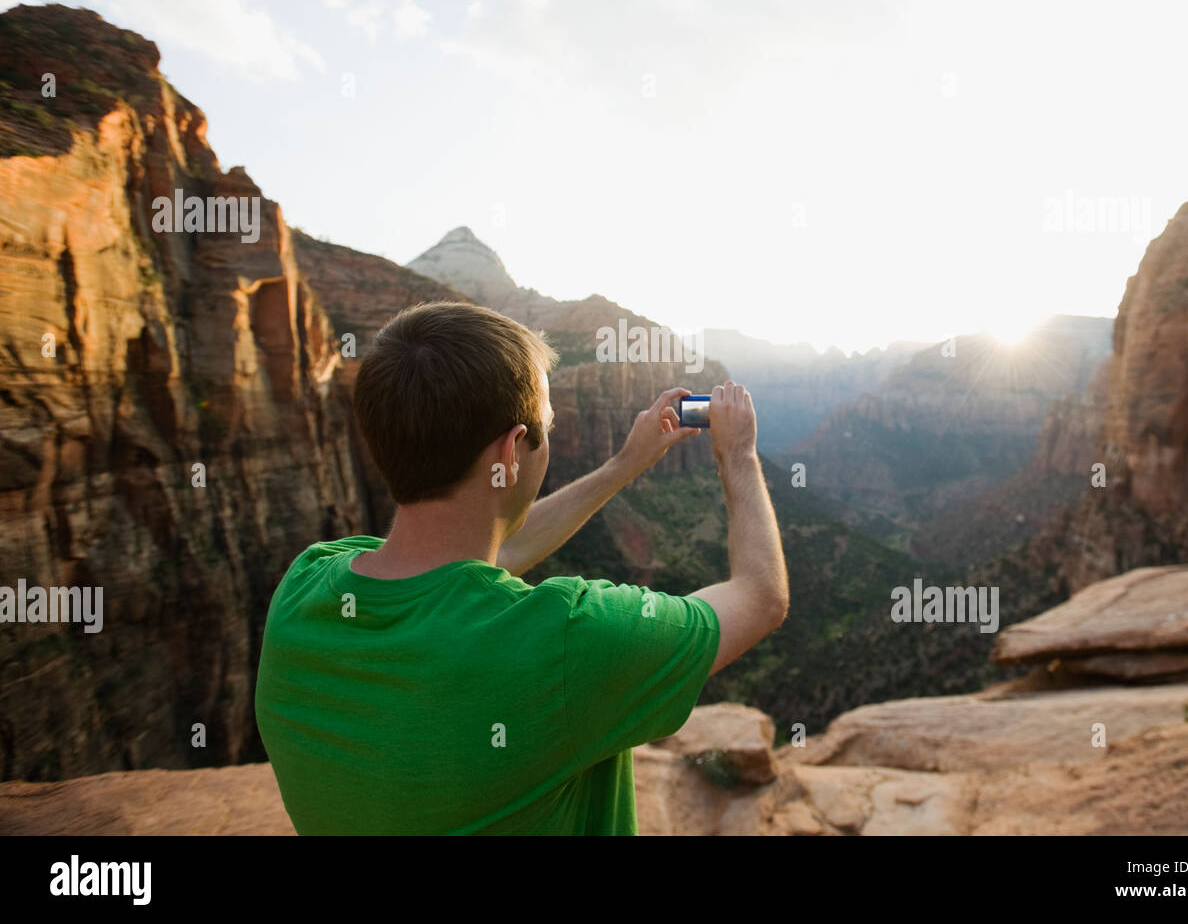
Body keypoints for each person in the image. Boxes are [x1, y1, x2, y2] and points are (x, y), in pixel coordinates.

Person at [253, 300, 788, 834]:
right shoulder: (568, 639)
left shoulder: (303, 587)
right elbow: (761, 595)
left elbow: (486, 553)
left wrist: (623, 466)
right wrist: (737, 455)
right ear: (511, 451)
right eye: (546, 425)